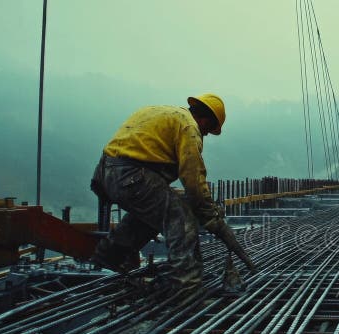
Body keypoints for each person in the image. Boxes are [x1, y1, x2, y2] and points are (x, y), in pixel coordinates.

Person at [89, 93, 240, 294]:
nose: (205, 135)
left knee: (153, 213)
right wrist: (213, 220)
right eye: (208, 131)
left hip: (106, 173)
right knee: (181, 218)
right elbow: (194, 182)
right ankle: (186, 287)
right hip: (131, 174)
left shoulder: (161, 112)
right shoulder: (189, 127)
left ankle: (111, 256)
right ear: (205, 121)